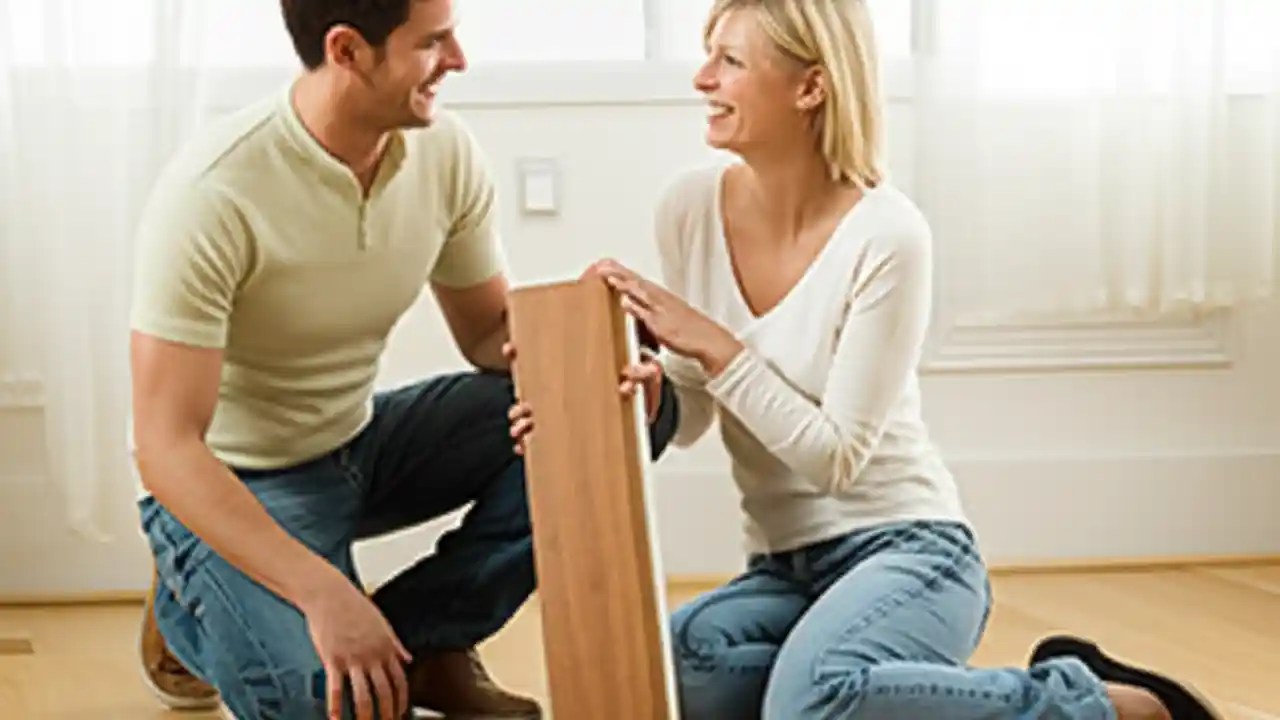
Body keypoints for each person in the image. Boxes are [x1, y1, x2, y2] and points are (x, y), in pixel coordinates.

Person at [510, 1, 1223, 718]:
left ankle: (1100, 704)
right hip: (783, 570)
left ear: (810, 87)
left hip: (911, 552)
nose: (702, 78)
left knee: (810, 701)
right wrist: (648, 391)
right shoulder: (689, 208)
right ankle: (880, 696)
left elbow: (835, 458)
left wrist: (716, 345)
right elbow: (697, 408)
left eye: (730, 60)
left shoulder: (888, 235)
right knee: (673, 670)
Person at [128, 0, 592, 717]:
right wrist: (322, 593)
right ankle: (192, 597)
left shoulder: (443, 151)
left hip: (358, 442)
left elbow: (486, 336)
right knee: (334, 704)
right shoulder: (214, 193)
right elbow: (165, 446)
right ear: (347, 50)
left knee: (612, 410)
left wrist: (595, 346)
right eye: (433, 42)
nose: (460, 60)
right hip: (236, 481)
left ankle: (424, 642)